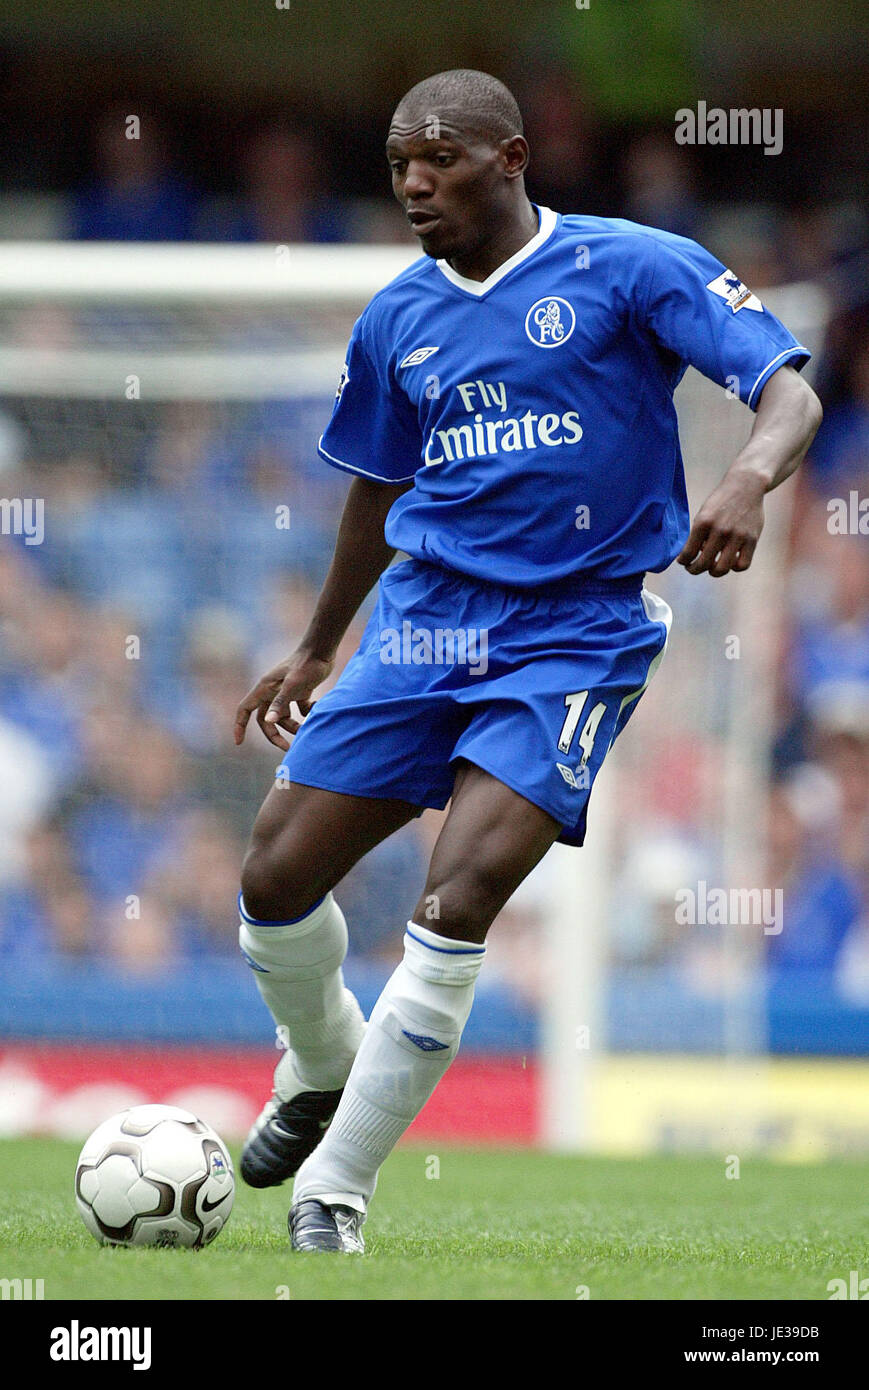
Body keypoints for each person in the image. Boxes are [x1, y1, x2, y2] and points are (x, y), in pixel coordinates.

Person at [232, 69, 822, 1253]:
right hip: (421, 623)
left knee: (456, 898)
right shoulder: (397, 316)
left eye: (437, 158)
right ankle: (321, 1063)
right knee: (271, 883)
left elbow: (785, 390)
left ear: (508, 158)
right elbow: (376, 486)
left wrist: (747, 478)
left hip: (572, 633)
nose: (411, 183)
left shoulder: (629, 266)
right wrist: (315, 642)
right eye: (398, 162)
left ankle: (332, 1194)